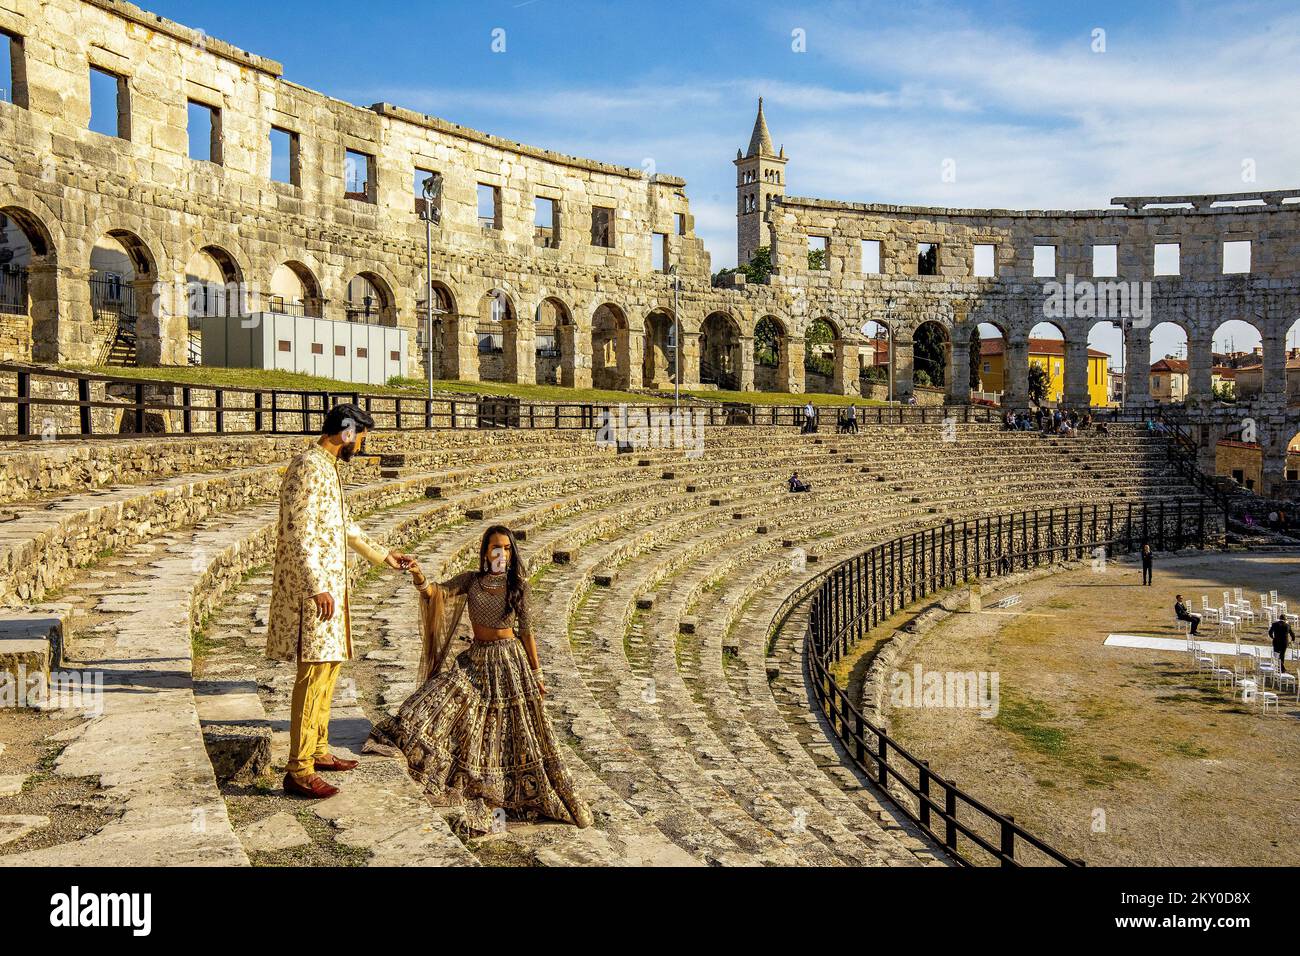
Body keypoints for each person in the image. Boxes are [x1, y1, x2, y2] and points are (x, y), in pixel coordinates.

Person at [364, 526, 594, 833]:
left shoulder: (518, 585)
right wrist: (418, 574)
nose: (501, 553)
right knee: (434, 702)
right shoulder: (472, 580)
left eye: (507, 548)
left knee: (510, 733)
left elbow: (526, 631)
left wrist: (537, 672)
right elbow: (437, 593)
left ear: (511, 553)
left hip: (510, 663)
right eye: (495, 547)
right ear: (485, 551)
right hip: (477, 658)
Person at [268, 403, 411, 800]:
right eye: (360, 436)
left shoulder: (327, 468)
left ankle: (317, 749)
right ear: (347, 431)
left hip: (330, 588)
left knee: (328, 670)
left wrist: (385, 556)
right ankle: (298, 769)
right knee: (313, 674)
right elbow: (297, 531)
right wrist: (315, 586)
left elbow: (344, 526)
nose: (361, 445)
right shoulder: (308, 466)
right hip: (313, 592)